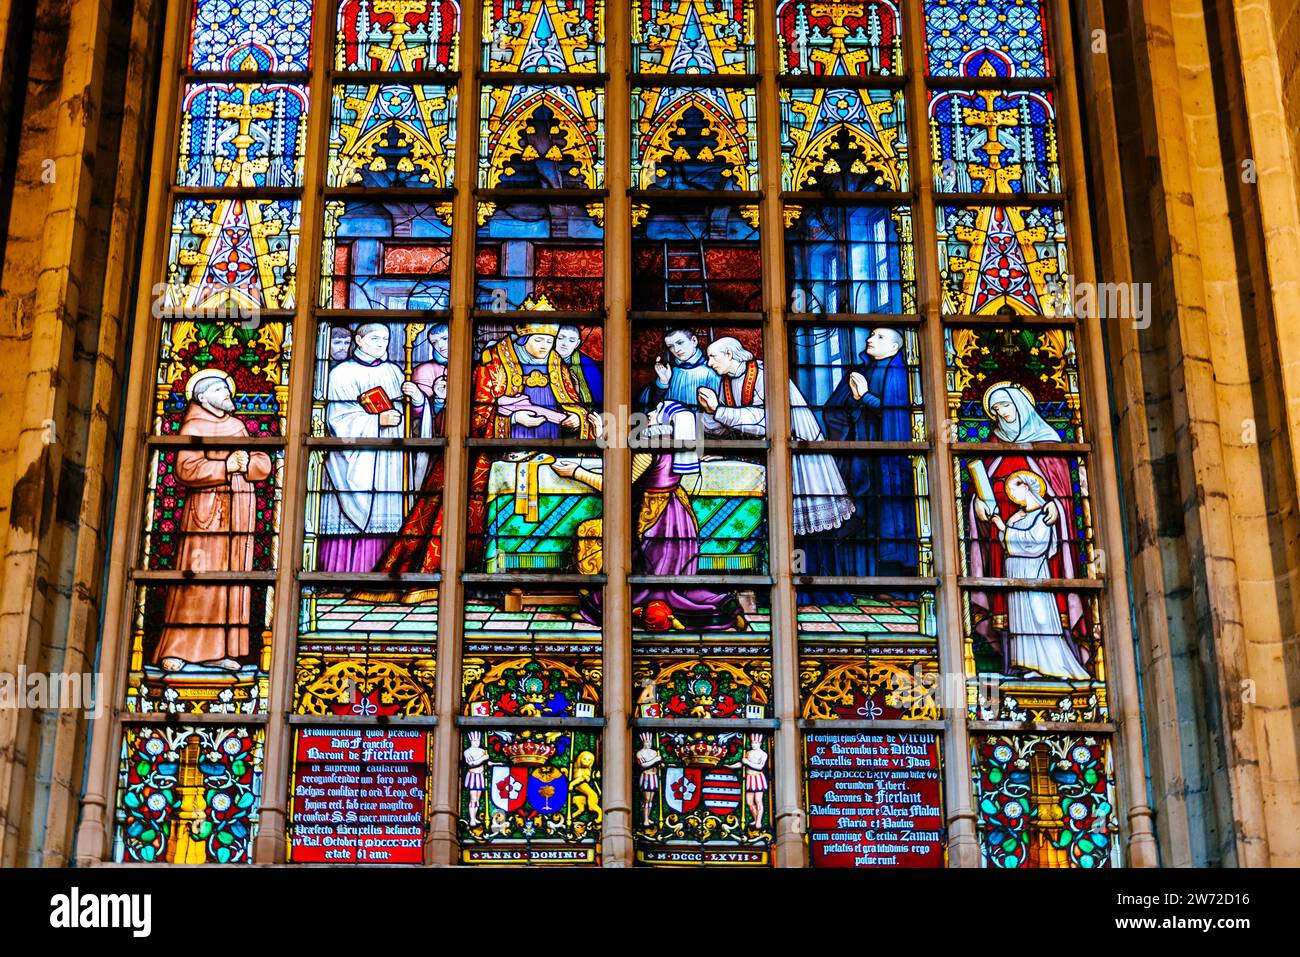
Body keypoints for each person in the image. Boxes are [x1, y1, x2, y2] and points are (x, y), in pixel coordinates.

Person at [555, 401, 748, 632]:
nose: (650, 413)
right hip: (677, 516)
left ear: (663, 422)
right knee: (676, 586)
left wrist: (575, 472)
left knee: (601, 542)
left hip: (655, 520)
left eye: (656, 411)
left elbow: (618, 485)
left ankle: (602, 609)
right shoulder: (672, 445)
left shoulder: (649, 446)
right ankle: (721, 608)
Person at [155, 370, 272, 673]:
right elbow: (186, 469)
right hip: (205, 516)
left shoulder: (237, 426)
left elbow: (262, 461)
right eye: (219, 389)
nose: (226, 393)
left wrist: (250, 464)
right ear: (203, 397)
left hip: (239, 511)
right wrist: (225, 466)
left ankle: (218, 651)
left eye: (226, 387)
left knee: (229, 581)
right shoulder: (193, 426)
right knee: (198, 581)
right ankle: (178, 648)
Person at [968, 382, 1090, 672]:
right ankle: (1014, 662)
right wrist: (978, 505)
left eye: (1006, 406)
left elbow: (1062, 493)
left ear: (1021, 405)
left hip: (1039, 539)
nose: (1002, 414)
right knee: (1012, 605)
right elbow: (979, 487)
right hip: (1003, 543)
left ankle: (1057, 659)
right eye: (996, 410)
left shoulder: (1048, 443)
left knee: (1041, 603)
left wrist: (1055, 507)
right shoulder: (993, 445)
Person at [697, 336, 854, 538]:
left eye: (712, 357)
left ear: (729, 354)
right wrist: (708, 412)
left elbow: (767, 421)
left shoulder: (764, 375)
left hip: (796, 455)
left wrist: (718, 410)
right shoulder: (725, 383)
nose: (709, 363)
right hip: (762, 457)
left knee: (803, 529)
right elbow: (722, 427)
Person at [814, 327, 918, 579]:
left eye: (879, 337)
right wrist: (852, 407)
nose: (870, 339)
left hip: (890, 461)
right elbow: (833, 411)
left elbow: (898, 418)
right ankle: (858, 576)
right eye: (871, 334)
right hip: (858, 457)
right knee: (859, 512)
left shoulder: (901, 376)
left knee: (886, 514)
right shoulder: (858, 371)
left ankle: (895, 578)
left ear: (895, 348)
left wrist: (864, 397)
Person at [318, 324, 422, 573]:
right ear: (359, 340)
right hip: (361, 458)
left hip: (393, 459)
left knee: (392, 508)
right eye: (375, 338)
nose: (382, 344)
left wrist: (418, 401)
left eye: (386, 339)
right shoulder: (341, 374)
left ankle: (391, 572)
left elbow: (414, 420)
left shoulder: (394, 371)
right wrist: (377, 421)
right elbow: (337, 420)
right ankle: (346, 577)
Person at [990, 471, 1091, 680]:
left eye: (1013, 488)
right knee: (1022, 621)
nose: (1011, 494)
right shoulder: (1021, 515)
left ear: (1026, 487)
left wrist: (1003, 527)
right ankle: (1032, 665)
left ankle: (1055, 666)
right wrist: (1008, 524)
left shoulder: (1043, 515)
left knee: (1041, 619)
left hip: (1033, 573)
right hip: (1015, 573)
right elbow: (1006, 544)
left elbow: (1035, 544)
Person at [472, 322, 597, 438]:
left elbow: (573, 403)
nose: (544, 347)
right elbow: (480, 416)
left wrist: (577, 418)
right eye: (538, 340)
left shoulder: (557, 363)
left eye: (549, 341)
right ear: (523, 339)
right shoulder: (495, 360)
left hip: (554, 443)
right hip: (511, 447)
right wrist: (514, 418)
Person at [639, 327, 721, 416]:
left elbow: (717, 411)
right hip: (669, 425)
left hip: (701, 426)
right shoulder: (668, 371)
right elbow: (654, 409)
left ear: (694, 341)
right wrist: (663, 383)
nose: (676, 350)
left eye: (680, 343)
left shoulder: (711, 372)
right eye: (670, 346)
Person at [555, 324, 602, 409]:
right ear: (554, 338)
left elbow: (596, 399)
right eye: (561, 338)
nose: (565, 344)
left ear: (577, 344)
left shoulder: (587, 365)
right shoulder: (539, 361)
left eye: (571, 340)